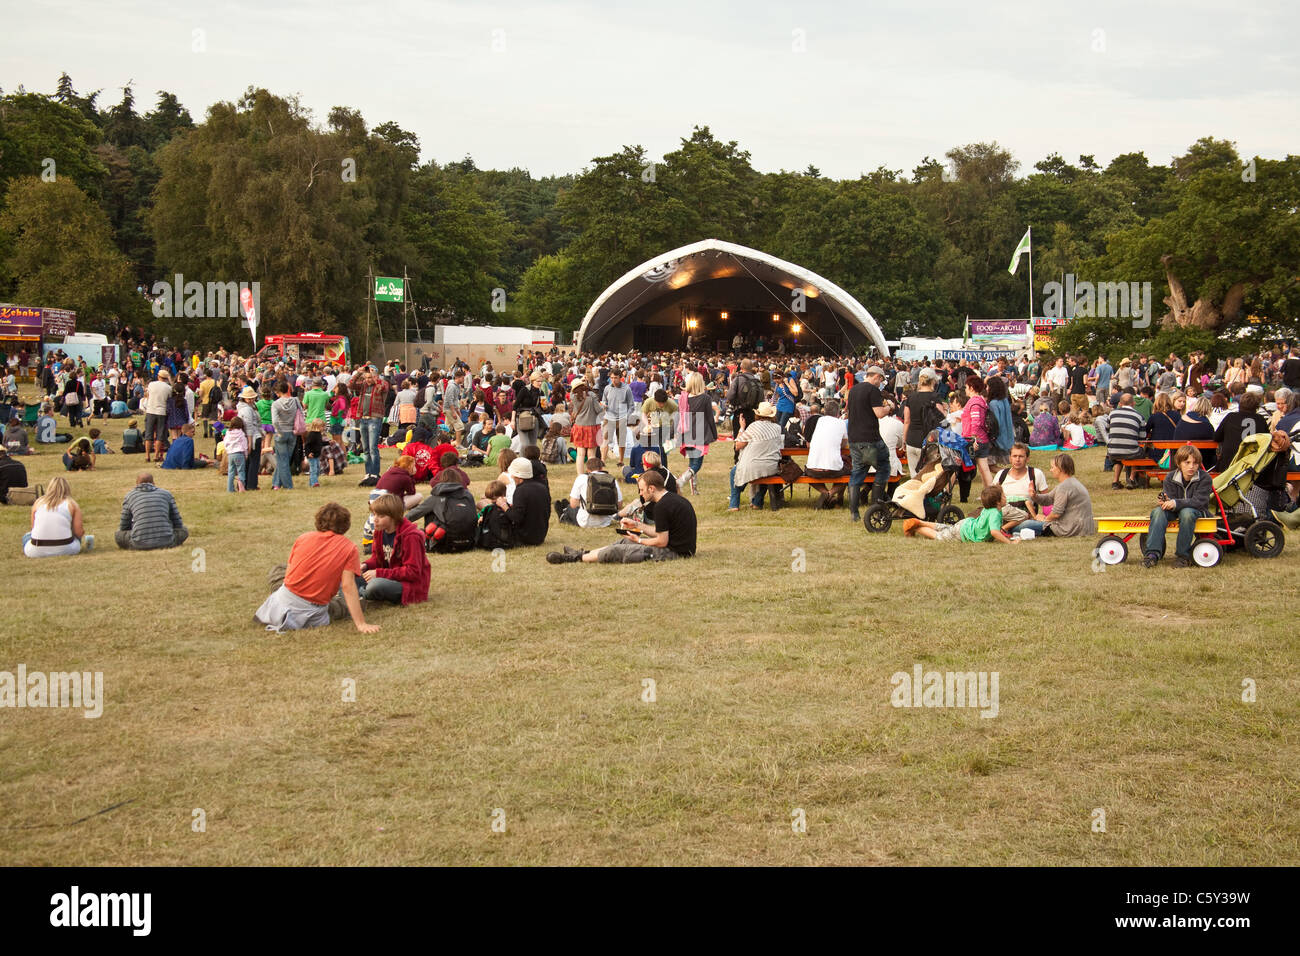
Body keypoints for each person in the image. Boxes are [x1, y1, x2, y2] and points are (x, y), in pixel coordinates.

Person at [255, 502, 379, 633]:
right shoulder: (349, 548)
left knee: (279, 570)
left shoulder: (303, 538)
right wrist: (361, 624)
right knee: (340, 606)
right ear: (346, 525)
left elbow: (290, 572)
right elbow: (348, 586)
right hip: (311, 610)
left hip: (280, 602)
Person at [547, 470, 696, 564]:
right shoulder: (672, 499)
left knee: (619, 551)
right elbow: (661, 533)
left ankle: (573, 558)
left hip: (675, 553)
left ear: (652, 488)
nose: (641, 494)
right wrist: (637, 526)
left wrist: (638, 540)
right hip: (678, 547)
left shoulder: (662, 506)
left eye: (642, 490)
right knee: (624, 541)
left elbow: (662, 542)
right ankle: (584, 553)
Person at [1141, 444, 1214, 568]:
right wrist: (1166, 501)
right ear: (1179, 463)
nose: (1191, 466)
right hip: (1176, 510)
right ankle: (1152, 555)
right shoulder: (1170, 477)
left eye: (1195, 463)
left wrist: (1175, 503)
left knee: (1187, 513)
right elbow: (1170, 499)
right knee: (1158, 512)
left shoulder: (1205, 478)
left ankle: (1183, 556)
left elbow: (1199, 501)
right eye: (1187, 462)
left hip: (1198, 511)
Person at [358, 493, 431, 606]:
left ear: (394, 517)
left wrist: (379, 573)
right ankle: (358, 594)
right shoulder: (379, 531)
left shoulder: (411, 536)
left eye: (381, 516)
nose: (375, 520)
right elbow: (377, 559)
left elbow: (413, 572)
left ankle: (360, 595)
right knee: (349, 575)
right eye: (374, 514)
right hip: (389, 578)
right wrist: (365, 566)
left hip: (408, 586)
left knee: (375, 585)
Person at [846, 365, 895, 522]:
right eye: (881, 380)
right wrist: (889, 407)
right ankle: (876, 505)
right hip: (869, 438)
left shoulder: (853, 389)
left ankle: (854, 512)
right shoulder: (872, 390)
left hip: (854, 438)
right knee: (884, 467)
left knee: (858, 471)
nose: (881, 383)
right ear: (876, 377)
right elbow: (879, 413)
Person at [1013, 453, 1095, 538]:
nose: (1050, 470)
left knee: (1027, 524)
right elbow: (1049, 498)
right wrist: (1034, 496)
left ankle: (1006, 530)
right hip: (1084, 528)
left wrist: (1044, 519)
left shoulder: (1064, 487)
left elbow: (1056, 514)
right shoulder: (1072, 482)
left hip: (1070, 529)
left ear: (1061, 469)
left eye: (1052, 467)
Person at [905, 484, 1016, 543]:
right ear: (997, 502)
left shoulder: (990, 509)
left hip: (965, 525)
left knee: (944, 528)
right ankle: (915, 528)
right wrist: (1009, 543)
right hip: (964, 532)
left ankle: (919, 522)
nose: (1006, 497)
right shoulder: (995, 513)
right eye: (1004, 496)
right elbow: (994, 532)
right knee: (939, 536)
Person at [728, 401, 783, 511]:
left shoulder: (754, 426)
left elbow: (738, 445)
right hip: (771, 466)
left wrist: (741, 428)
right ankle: (757, 501)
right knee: (764, 474)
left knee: (735, 472)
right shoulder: (777, 428)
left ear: (758, 414)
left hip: (753, 465)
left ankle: (734, 504)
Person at [22, 477, 93, 557]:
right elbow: (79, 532)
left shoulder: (38, 502)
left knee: (27, 536)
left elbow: (33, 528)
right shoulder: (71, 504)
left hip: (36, 550)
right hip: (66, 548)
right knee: (76, 537)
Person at [804, 398, 850, 509]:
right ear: (837, 412)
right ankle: (831, 493)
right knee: (848, 475)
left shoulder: (820, 421)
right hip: (833, 469)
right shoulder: (841, 423)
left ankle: (824, 492)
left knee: (807, 473)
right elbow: (843, 445)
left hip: (813, 469)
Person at [993, 443, 1049, 531]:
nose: (1017, 459)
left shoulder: (1036, 474)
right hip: (1002, 517)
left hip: (1024, 520)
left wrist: (1035, 497)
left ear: (1027, 459)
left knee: (1029, 524)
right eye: (1014, 456)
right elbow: (992, 498)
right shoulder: (1001, 475)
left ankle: (1003, 530)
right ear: (1010, 458)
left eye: (1021, 456)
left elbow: (1047, 500)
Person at [677, 371, 717, 494]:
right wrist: (714, 434)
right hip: (700, 432)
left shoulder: (683, 397)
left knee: (692, 461)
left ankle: (694, 490)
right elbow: (710, 417)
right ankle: (680, 481)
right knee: (697, 464)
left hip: (687, 432)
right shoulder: (705, 398)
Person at [1213, 391, 1270, 475]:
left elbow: (1216, 437)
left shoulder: (1230, 417)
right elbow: (1267, 440)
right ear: (1256, 407)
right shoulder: (1260, 420)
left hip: (1229, 464)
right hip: (1252, 465)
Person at [557, 455, 623, 526]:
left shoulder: (581, 478)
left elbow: (573, 504)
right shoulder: (611, 479)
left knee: (570, 508)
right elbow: (619, 505)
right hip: (606, 522)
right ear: (601, 468)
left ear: (588, 470)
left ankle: (564, 514)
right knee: (570, 508)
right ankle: (565, 511)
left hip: (585, 520)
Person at [902, 369, 944, 475]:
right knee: (928, 476)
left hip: (912, 440)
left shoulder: (911, 397)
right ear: (933, 381)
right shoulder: (934, 397)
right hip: (929, 441)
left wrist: (904, 439)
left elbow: (907, 421)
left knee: (914, 476)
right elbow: (942, 421)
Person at [501, 457, 550, 546]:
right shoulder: (542, 487)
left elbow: (516, 518)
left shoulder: (521, 490)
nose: (511, 476)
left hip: (525, 537)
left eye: (513, 474)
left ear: (518, 476)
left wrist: (505, 507)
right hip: (541, 535)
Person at [1106, 393, 1147, 489]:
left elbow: (1107, 429)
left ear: (1120, 403)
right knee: (1139, 451)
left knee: (1118, 457)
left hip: (1113, 451)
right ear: (1133, 403)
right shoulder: (1139, 416)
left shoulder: (1112, 414)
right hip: (1131, 452)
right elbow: (1142, 438)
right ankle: (1131, 479)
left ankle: (1115, 481)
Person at [270, 380, 302, 490]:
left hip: (281, 432)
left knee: (282, 460)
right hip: (292, 432)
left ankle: (287, 485)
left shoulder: (276, 404)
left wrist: (279, 431)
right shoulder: (295, 400)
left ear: (278, 392)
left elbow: (274, 421)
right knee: (285, 459)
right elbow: (301, 414)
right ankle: (276, 484)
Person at [1173, 396, 1217, 469]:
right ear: (1208, 409)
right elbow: (1211, 450)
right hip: (1200, 462)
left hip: (1180, 457)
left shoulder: (1182, 420)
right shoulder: (1207, 426)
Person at [570, 382, 602, 475]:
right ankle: (592, 473)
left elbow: (572, 393)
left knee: (580, 454)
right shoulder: (591, 397)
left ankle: (580, 475)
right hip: (592, 426)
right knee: (591, 454)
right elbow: (599, 410)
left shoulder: (574, 398)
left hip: (579, 426)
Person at [142, 369, 172, 462]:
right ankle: (156, 455)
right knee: (160, 435)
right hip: (162, 411)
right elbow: (169, 399)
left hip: (151, 410)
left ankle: (147, 455)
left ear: (158, 376)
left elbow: (147, 394)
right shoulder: (168, 388)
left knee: (148, 434)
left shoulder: (151, 384)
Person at [224, 417, 248, 492]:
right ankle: (241, 487)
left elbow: (225, 443)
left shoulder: (228, 432)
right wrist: (246, 454)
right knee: (241, 471)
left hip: (230, 454)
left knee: (231, 472)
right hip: (239, 453)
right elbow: (244, 445)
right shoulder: (241, 433)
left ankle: (230, 488)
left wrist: (228, 450)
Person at [303, 417, 326, 488]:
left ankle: (311, 482)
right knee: (313, 469)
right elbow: (307, 445)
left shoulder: (319, 434)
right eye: (322, 426)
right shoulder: (312, 434)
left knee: (318, 469)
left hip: (317, 455)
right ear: (317, 426)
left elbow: (320, 443)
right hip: (312, 455)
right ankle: (314, 483)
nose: (323, 428)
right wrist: (308, 453)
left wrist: (328, 443)